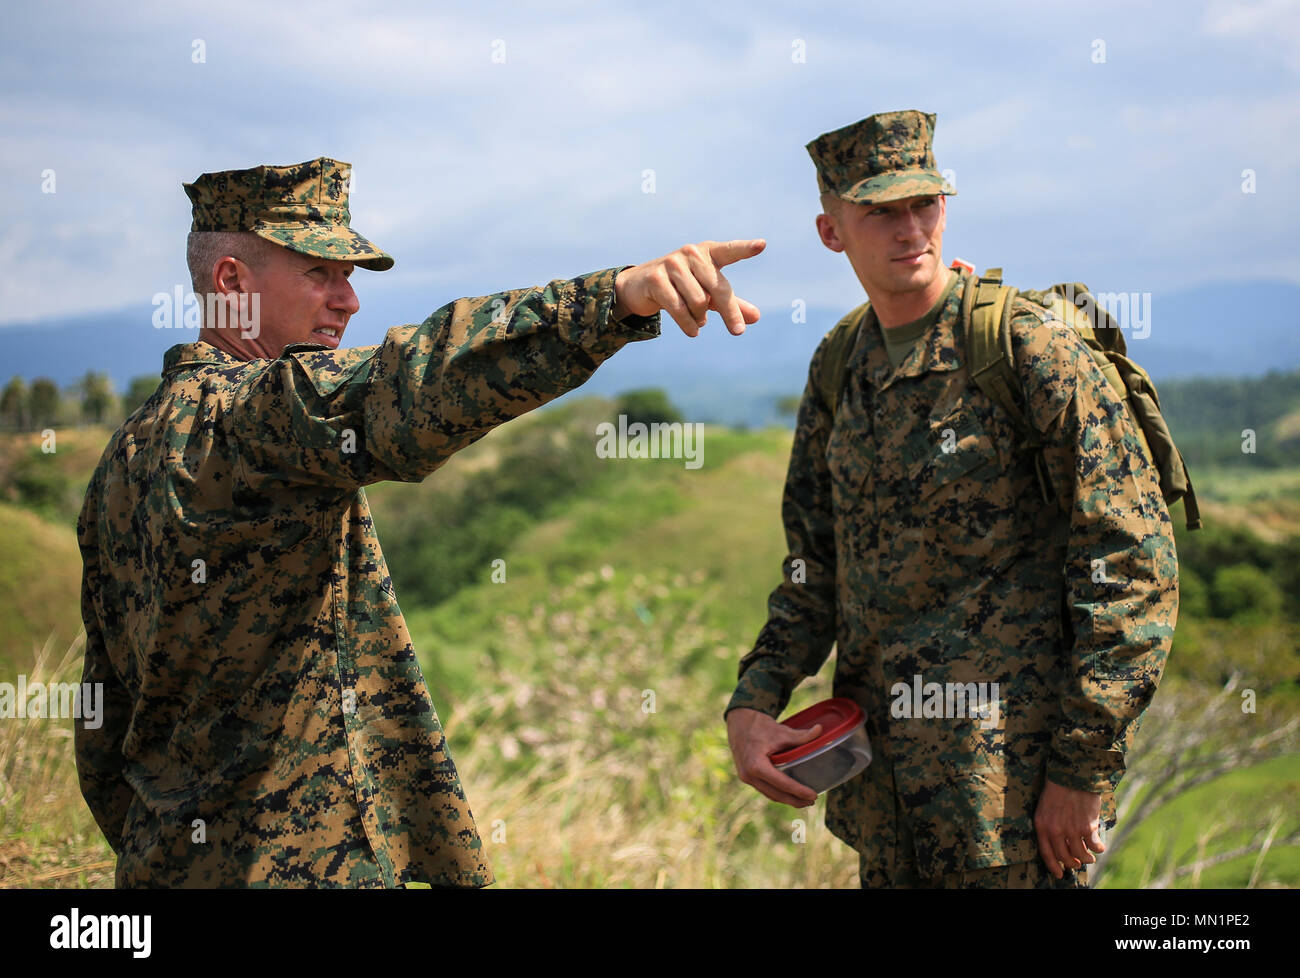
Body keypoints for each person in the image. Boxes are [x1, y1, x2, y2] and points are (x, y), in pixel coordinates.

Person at [75, 156, 764, 887]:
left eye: (350, 278)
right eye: (318, 273)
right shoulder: (256, 416)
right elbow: (418, 382)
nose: (348, 302)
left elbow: (104, 721)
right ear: (233, 284)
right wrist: (616, 299)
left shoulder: (123, 457)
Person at [724, 111, 1179, 889]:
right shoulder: (841, 363)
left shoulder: (1029, 350)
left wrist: (1083, 769)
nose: (911, 229)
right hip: (886, 797)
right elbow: (814, 567)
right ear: (832, 231)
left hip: (1013, 797)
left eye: (924, 204)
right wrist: (755, 697)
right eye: (880, 211)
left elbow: (1132, 570)